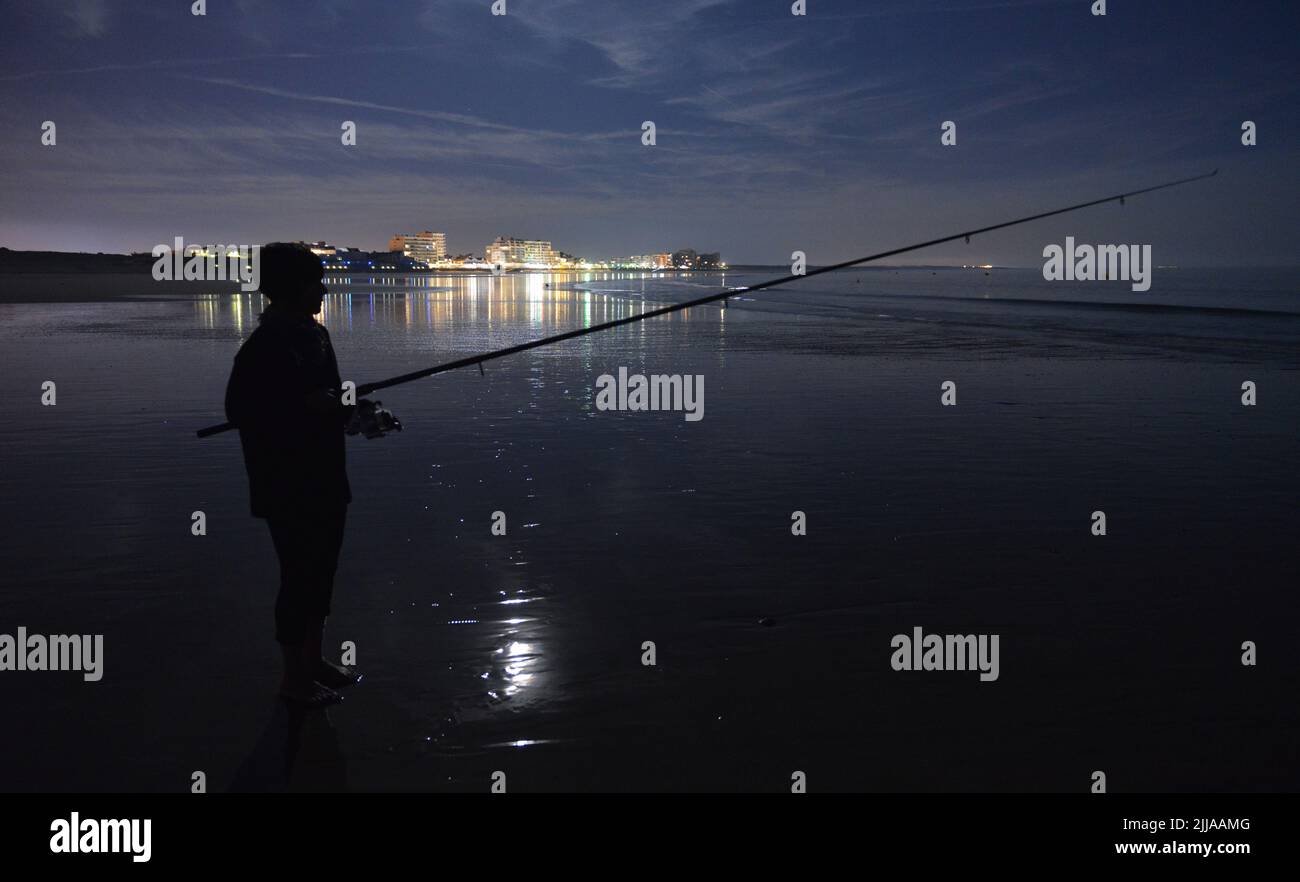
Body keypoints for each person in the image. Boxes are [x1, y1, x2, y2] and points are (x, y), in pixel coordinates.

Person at [224, 242, 360, 708]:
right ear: (293, 289)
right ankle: (293, 682)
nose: (323, 289)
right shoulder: (262, 347)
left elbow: (335, 398)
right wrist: (306, 406)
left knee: (322, 573)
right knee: (298, 577)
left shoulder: (315, 336)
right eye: (316, 282)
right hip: (287, 485)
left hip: (326, 478)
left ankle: (314, 661)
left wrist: (356, 415)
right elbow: (241, 409)